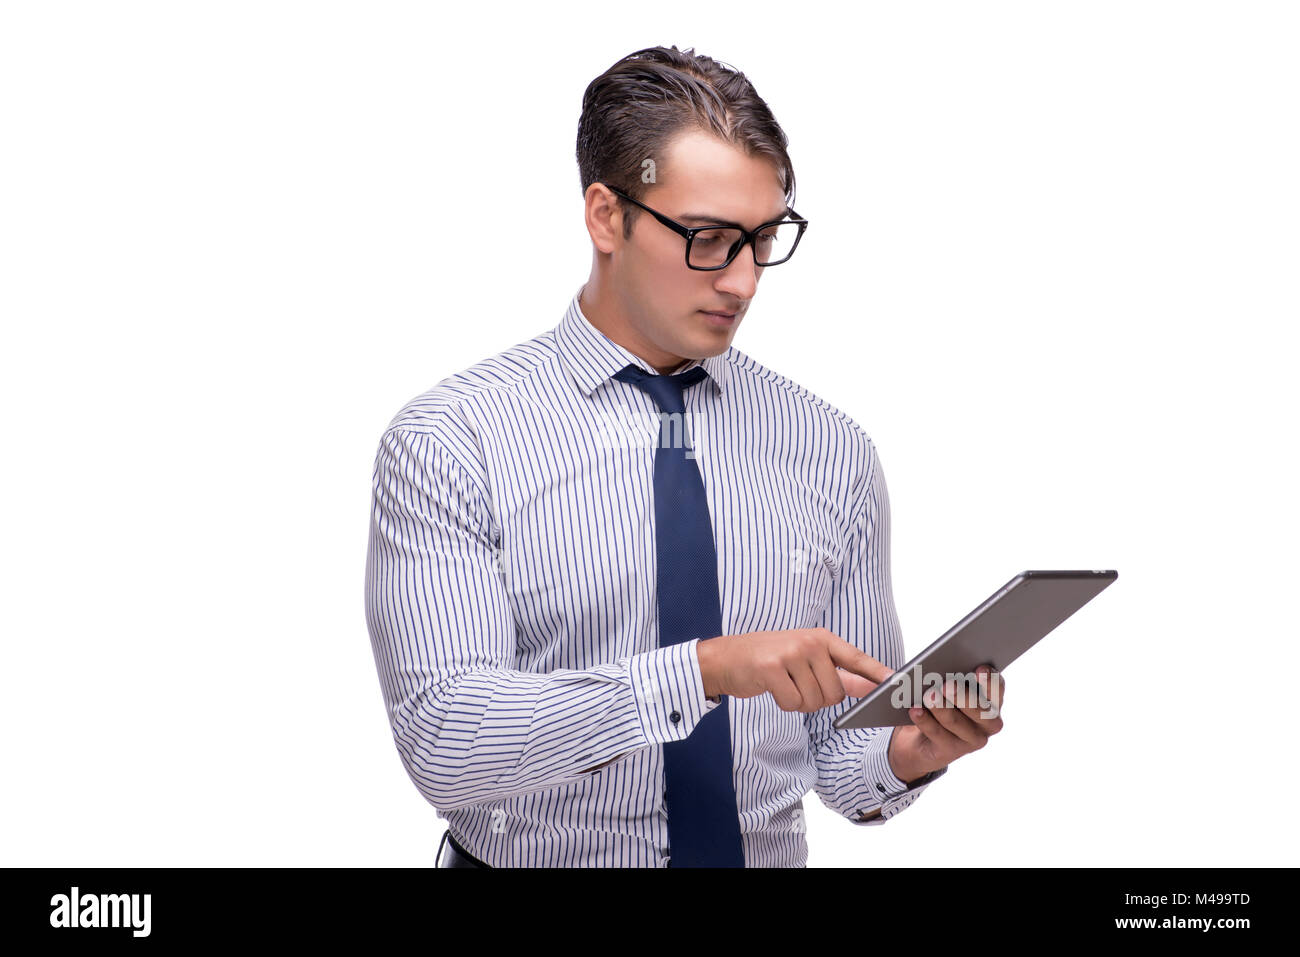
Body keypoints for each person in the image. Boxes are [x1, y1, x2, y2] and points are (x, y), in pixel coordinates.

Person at [364, 44, 1005, 868]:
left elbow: (839, 759)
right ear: (607, 216)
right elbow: (447, 740)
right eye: (708, 238)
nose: (743, 281)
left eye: (763, 239)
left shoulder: (829, 450)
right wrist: (701, 671)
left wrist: (911, 749)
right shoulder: (453, 442)